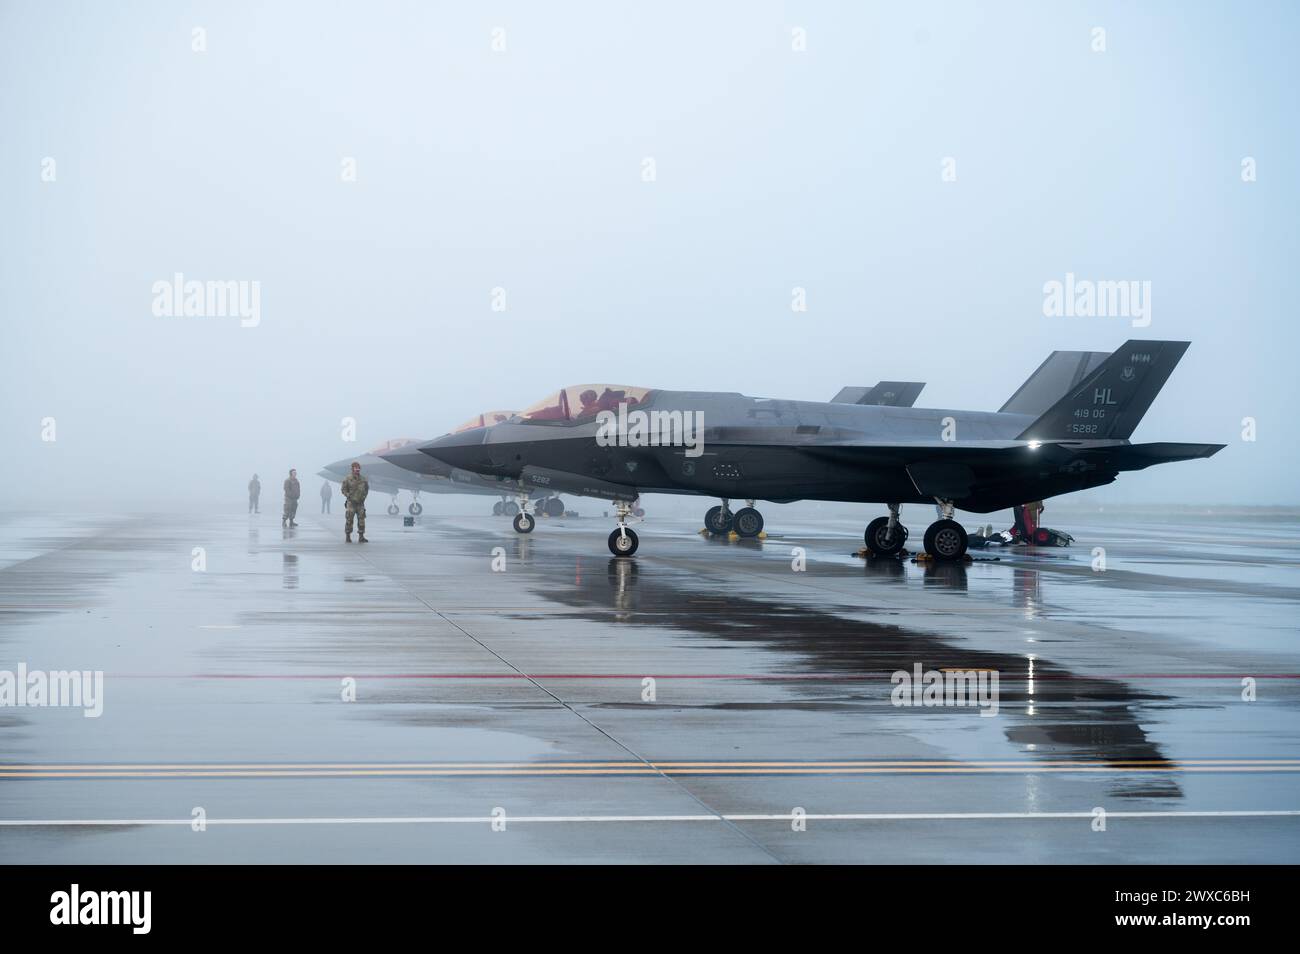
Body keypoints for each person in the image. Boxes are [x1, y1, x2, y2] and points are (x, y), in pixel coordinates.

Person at [341, 461, 369, 543]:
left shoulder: (363, 479)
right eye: (356, 468)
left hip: (360, 503)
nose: (357, 469)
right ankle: (348, 536)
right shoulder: (348, 479)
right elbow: (343, 489)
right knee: (349, 519)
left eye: (358, 468)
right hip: (351, 503)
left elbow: (366, 489)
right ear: (352, 469)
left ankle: (361, 536)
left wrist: (364, 497)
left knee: (362, 519)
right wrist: (348, 495)